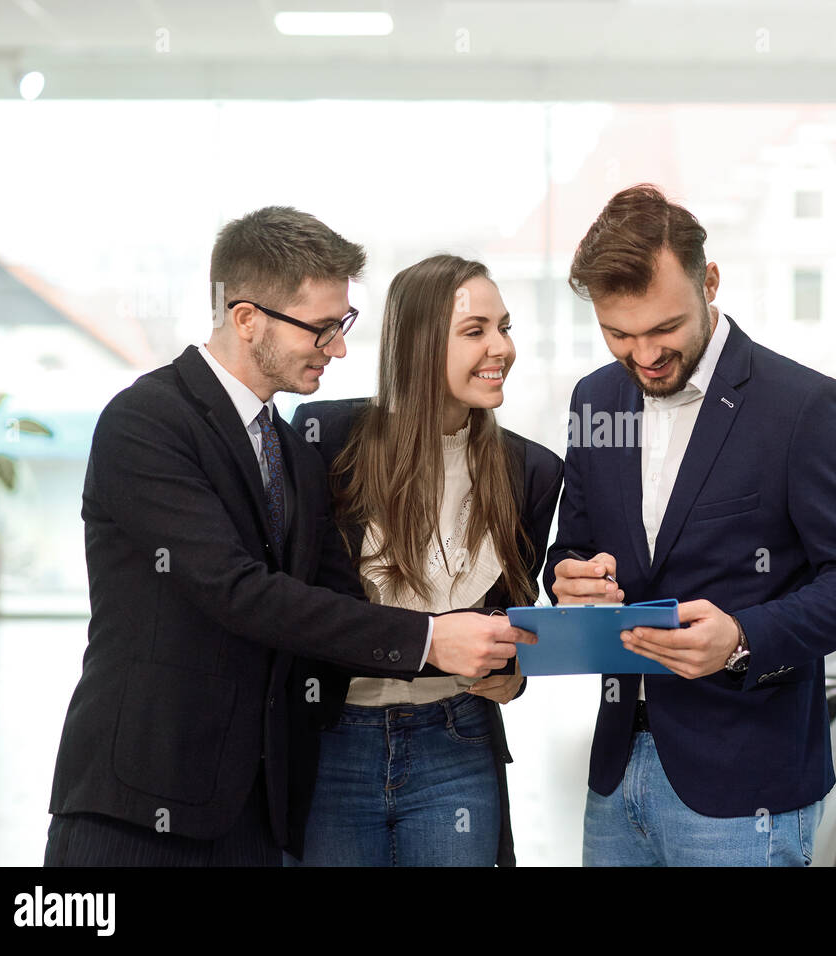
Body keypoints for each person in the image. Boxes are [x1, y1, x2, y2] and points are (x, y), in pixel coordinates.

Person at [44, 208, 531, 867]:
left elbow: (334, 601)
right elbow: (237, 590)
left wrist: (498, 656)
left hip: (257, 807)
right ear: (247, 319)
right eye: (323, 329)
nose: (338, 348)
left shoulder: (295, 451)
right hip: (140, 802)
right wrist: (429, 639)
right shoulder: (147, 422)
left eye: (344, 325)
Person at [545, 184, 836, 866]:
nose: (644, 355)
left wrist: (742, 638)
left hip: (748, 783)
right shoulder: (596, 397)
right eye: (619, 334)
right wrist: (571, 579)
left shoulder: (804, 406)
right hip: (615, 774)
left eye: (663, 329)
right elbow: (574, 546)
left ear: (710, 282)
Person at [288, 254, 562, 866]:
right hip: (335, 740)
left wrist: (513, 675)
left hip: (457, 741)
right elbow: (297, 606)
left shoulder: (532, 473)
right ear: (415, 347)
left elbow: (515, 626)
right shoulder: (324, 439)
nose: (501, 347)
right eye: (475, 331)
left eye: (505, 327)